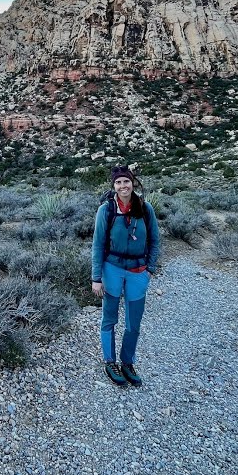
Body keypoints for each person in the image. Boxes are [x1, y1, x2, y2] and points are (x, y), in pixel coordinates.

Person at [91, 164, 161, 387]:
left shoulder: (145, 208)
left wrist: (150, 269)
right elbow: (97, 245)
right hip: (112, 269)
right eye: (118, 182)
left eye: (126, 181)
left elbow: (154, 240)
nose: (123, 186)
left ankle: (128, 362)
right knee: (109, 318)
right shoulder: (107, 210)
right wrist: (96, 277)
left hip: (139, 272)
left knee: (134, 323)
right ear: (113, 186)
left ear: (133, 183)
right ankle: (110, 361)